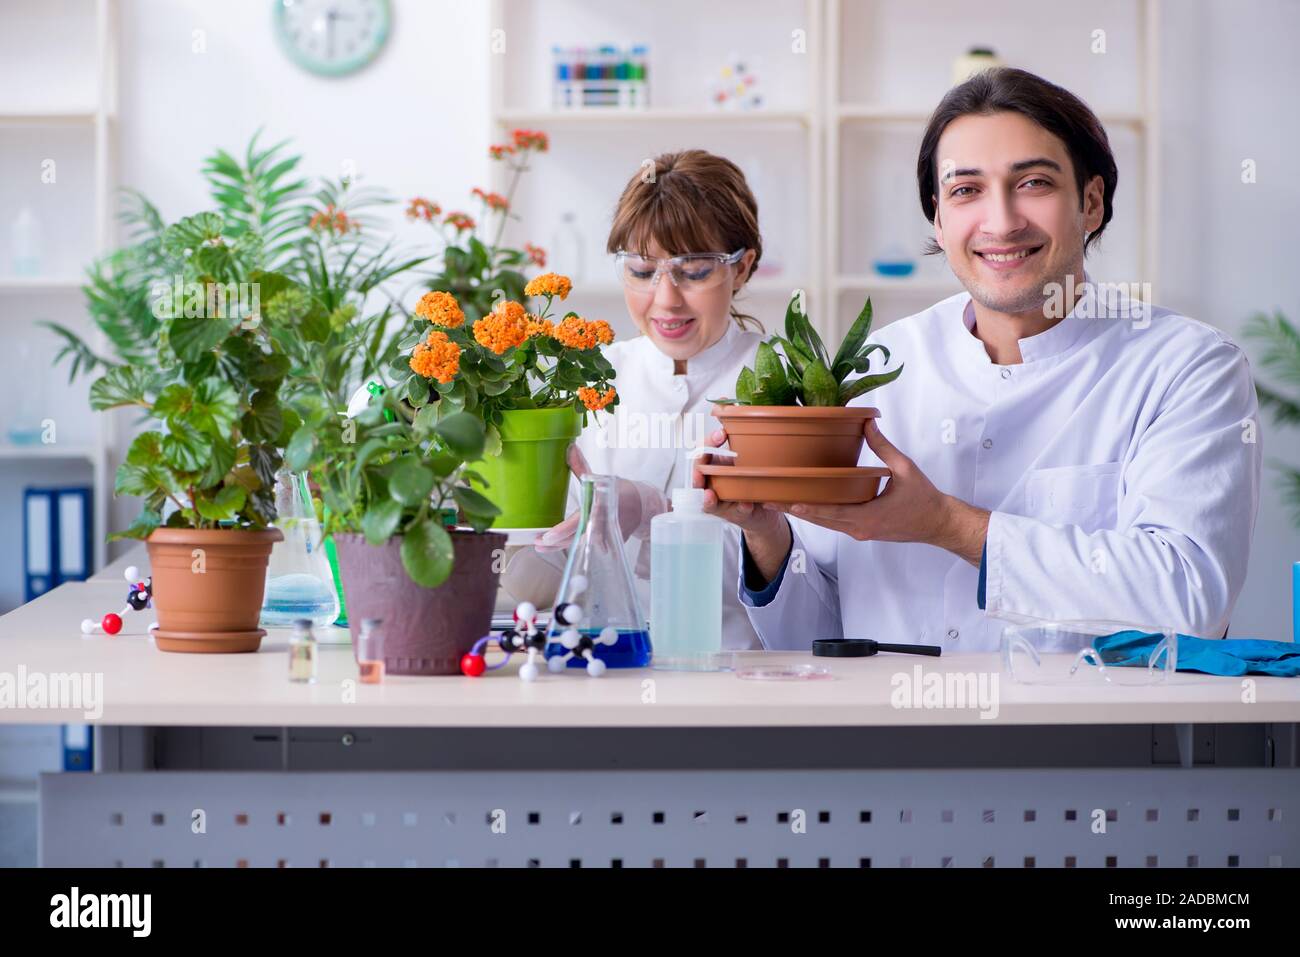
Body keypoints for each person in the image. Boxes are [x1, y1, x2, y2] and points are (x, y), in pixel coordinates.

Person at [696, 68, 1262, 651]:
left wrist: (946, 524)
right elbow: (819, 640)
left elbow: (1192, 601)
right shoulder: (878, 369)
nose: (1001, 221)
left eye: (1034, 183)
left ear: (1091, 202)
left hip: (1084, 740)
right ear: (939, 221)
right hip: (883, 736)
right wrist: (766, 534)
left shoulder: (1189, 368)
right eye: (966, 190)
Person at [502, 149, 768, 651]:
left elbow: (801, 567)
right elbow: (536, 580)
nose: (666, 299)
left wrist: (652, 511)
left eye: (694, 271)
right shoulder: (592, 380)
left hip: (738, 676)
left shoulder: (782, 389)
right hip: (601, 669)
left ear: (743, 266)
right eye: (643, 271)